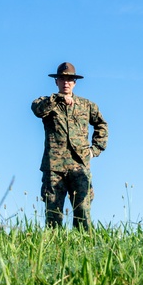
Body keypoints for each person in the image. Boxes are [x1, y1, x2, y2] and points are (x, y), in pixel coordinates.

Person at [32, 62, 108, 229]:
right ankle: (54, 249)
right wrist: (59, 98)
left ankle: (83, 247)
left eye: (70, 79)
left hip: (79, 166)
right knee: (53, 212)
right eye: (62, 79)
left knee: (83, 211)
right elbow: (37, 110)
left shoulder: (87, 105)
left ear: (75, 82)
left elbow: (102, 125)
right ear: (56, 82)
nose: (66, 82)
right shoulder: (47, 103)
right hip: (54, 167)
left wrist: (95, 150)